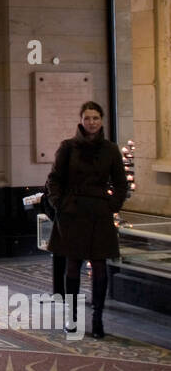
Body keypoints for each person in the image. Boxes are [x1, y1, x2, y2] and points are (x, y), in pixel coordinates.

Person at [46, 100, 128, 340]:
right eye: (87, 118)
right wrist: (60, 204)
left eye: (96, 118)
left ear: (101, 121)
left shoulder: (110, 150)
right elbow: (54, 179)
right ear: (81, 120)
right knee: (72, 265)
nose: (92, 122)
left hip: (99, 214)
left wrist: (112, 205)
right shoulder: (68, 147)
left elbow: (121, 183)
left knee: (100, 267)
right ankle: (72, 319)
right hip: (73, 213)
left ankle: (98, 319)